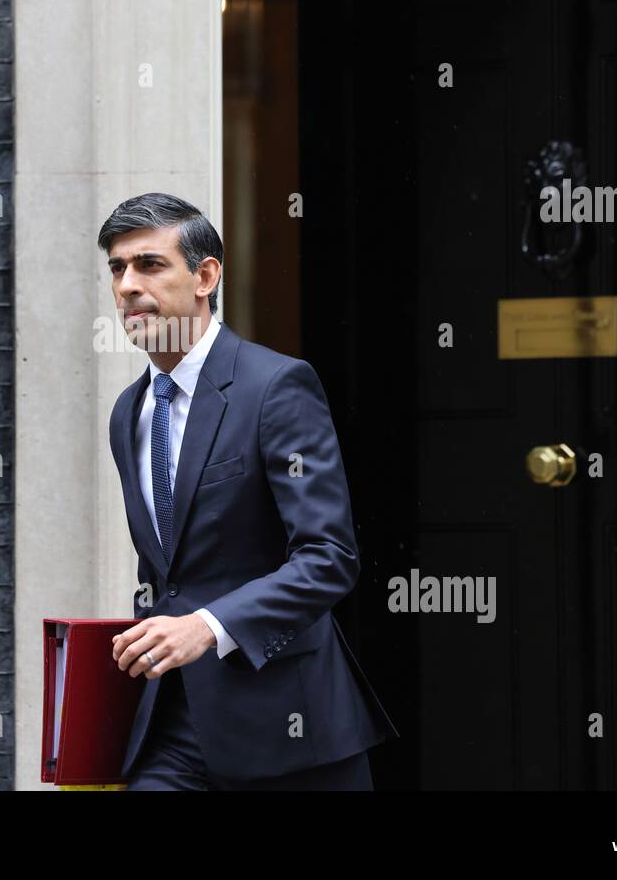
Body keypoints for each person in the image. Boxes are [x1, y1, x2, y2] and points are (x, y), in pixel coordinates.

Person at [101, 192, 399, 790]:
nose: (128, 285)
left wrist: (206, 625)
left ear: (205, 275)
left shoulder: (277, 387)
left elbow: (328, 559)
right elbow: (169, 572)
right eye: (117, 268)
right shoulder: (127, 411)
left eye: (149, 265)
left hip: (289, 729)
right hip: (172, 727)